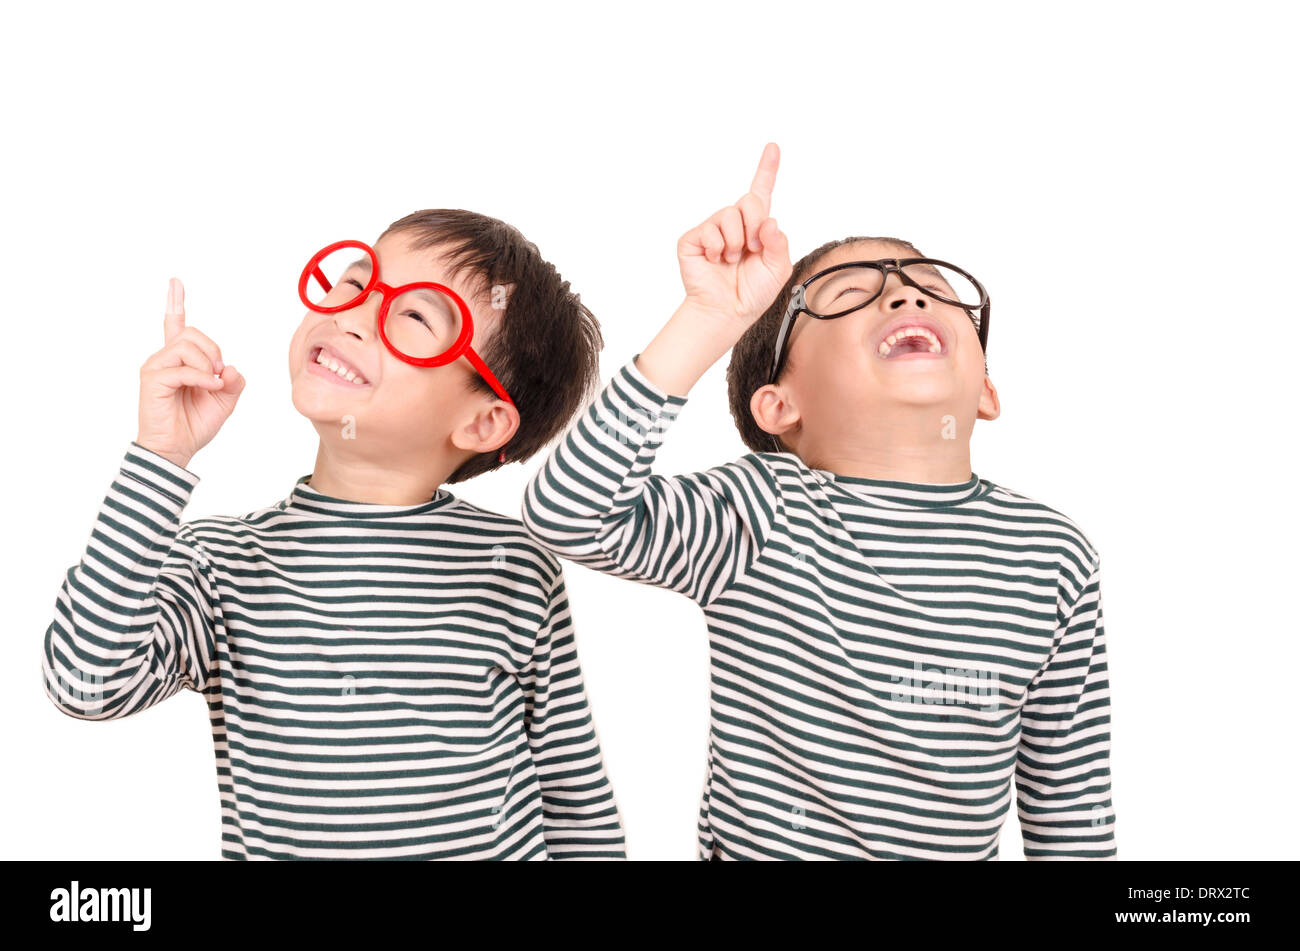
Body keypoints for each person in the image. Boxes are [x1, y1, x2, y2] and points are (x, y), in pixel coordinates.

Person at [522, 146, 1115, 860]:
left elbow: (1068, 796)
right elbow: (570, 511)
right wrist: (710, 317)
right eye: (847, 294)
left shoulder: (1052, 552)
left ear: (985, 389)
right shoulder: (761, 512)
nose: (907, 296)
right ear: (778, 404)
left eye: (928, 286)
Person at [42, 209, 625, 860]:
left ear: (483, 423)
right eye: (355, 283)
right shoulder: (221, 562)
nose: (351, 314)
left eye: (412, 317)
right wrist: (159, 458)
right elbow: (86, 681)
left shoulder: (515, 563)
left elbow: (575, 798)